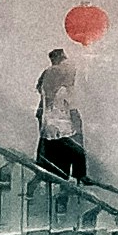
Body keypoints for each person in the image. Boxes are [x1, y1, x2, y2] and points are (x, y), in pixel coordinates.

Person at [34, 48, 89, 183]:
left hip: (53, 126)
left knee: (57, 166)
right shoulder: (61, 77)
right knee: (73, 151)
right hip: (59, 126)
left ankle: (73, 177)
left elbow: (41, 97)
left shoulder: (50, 75)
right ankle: (79, 176)